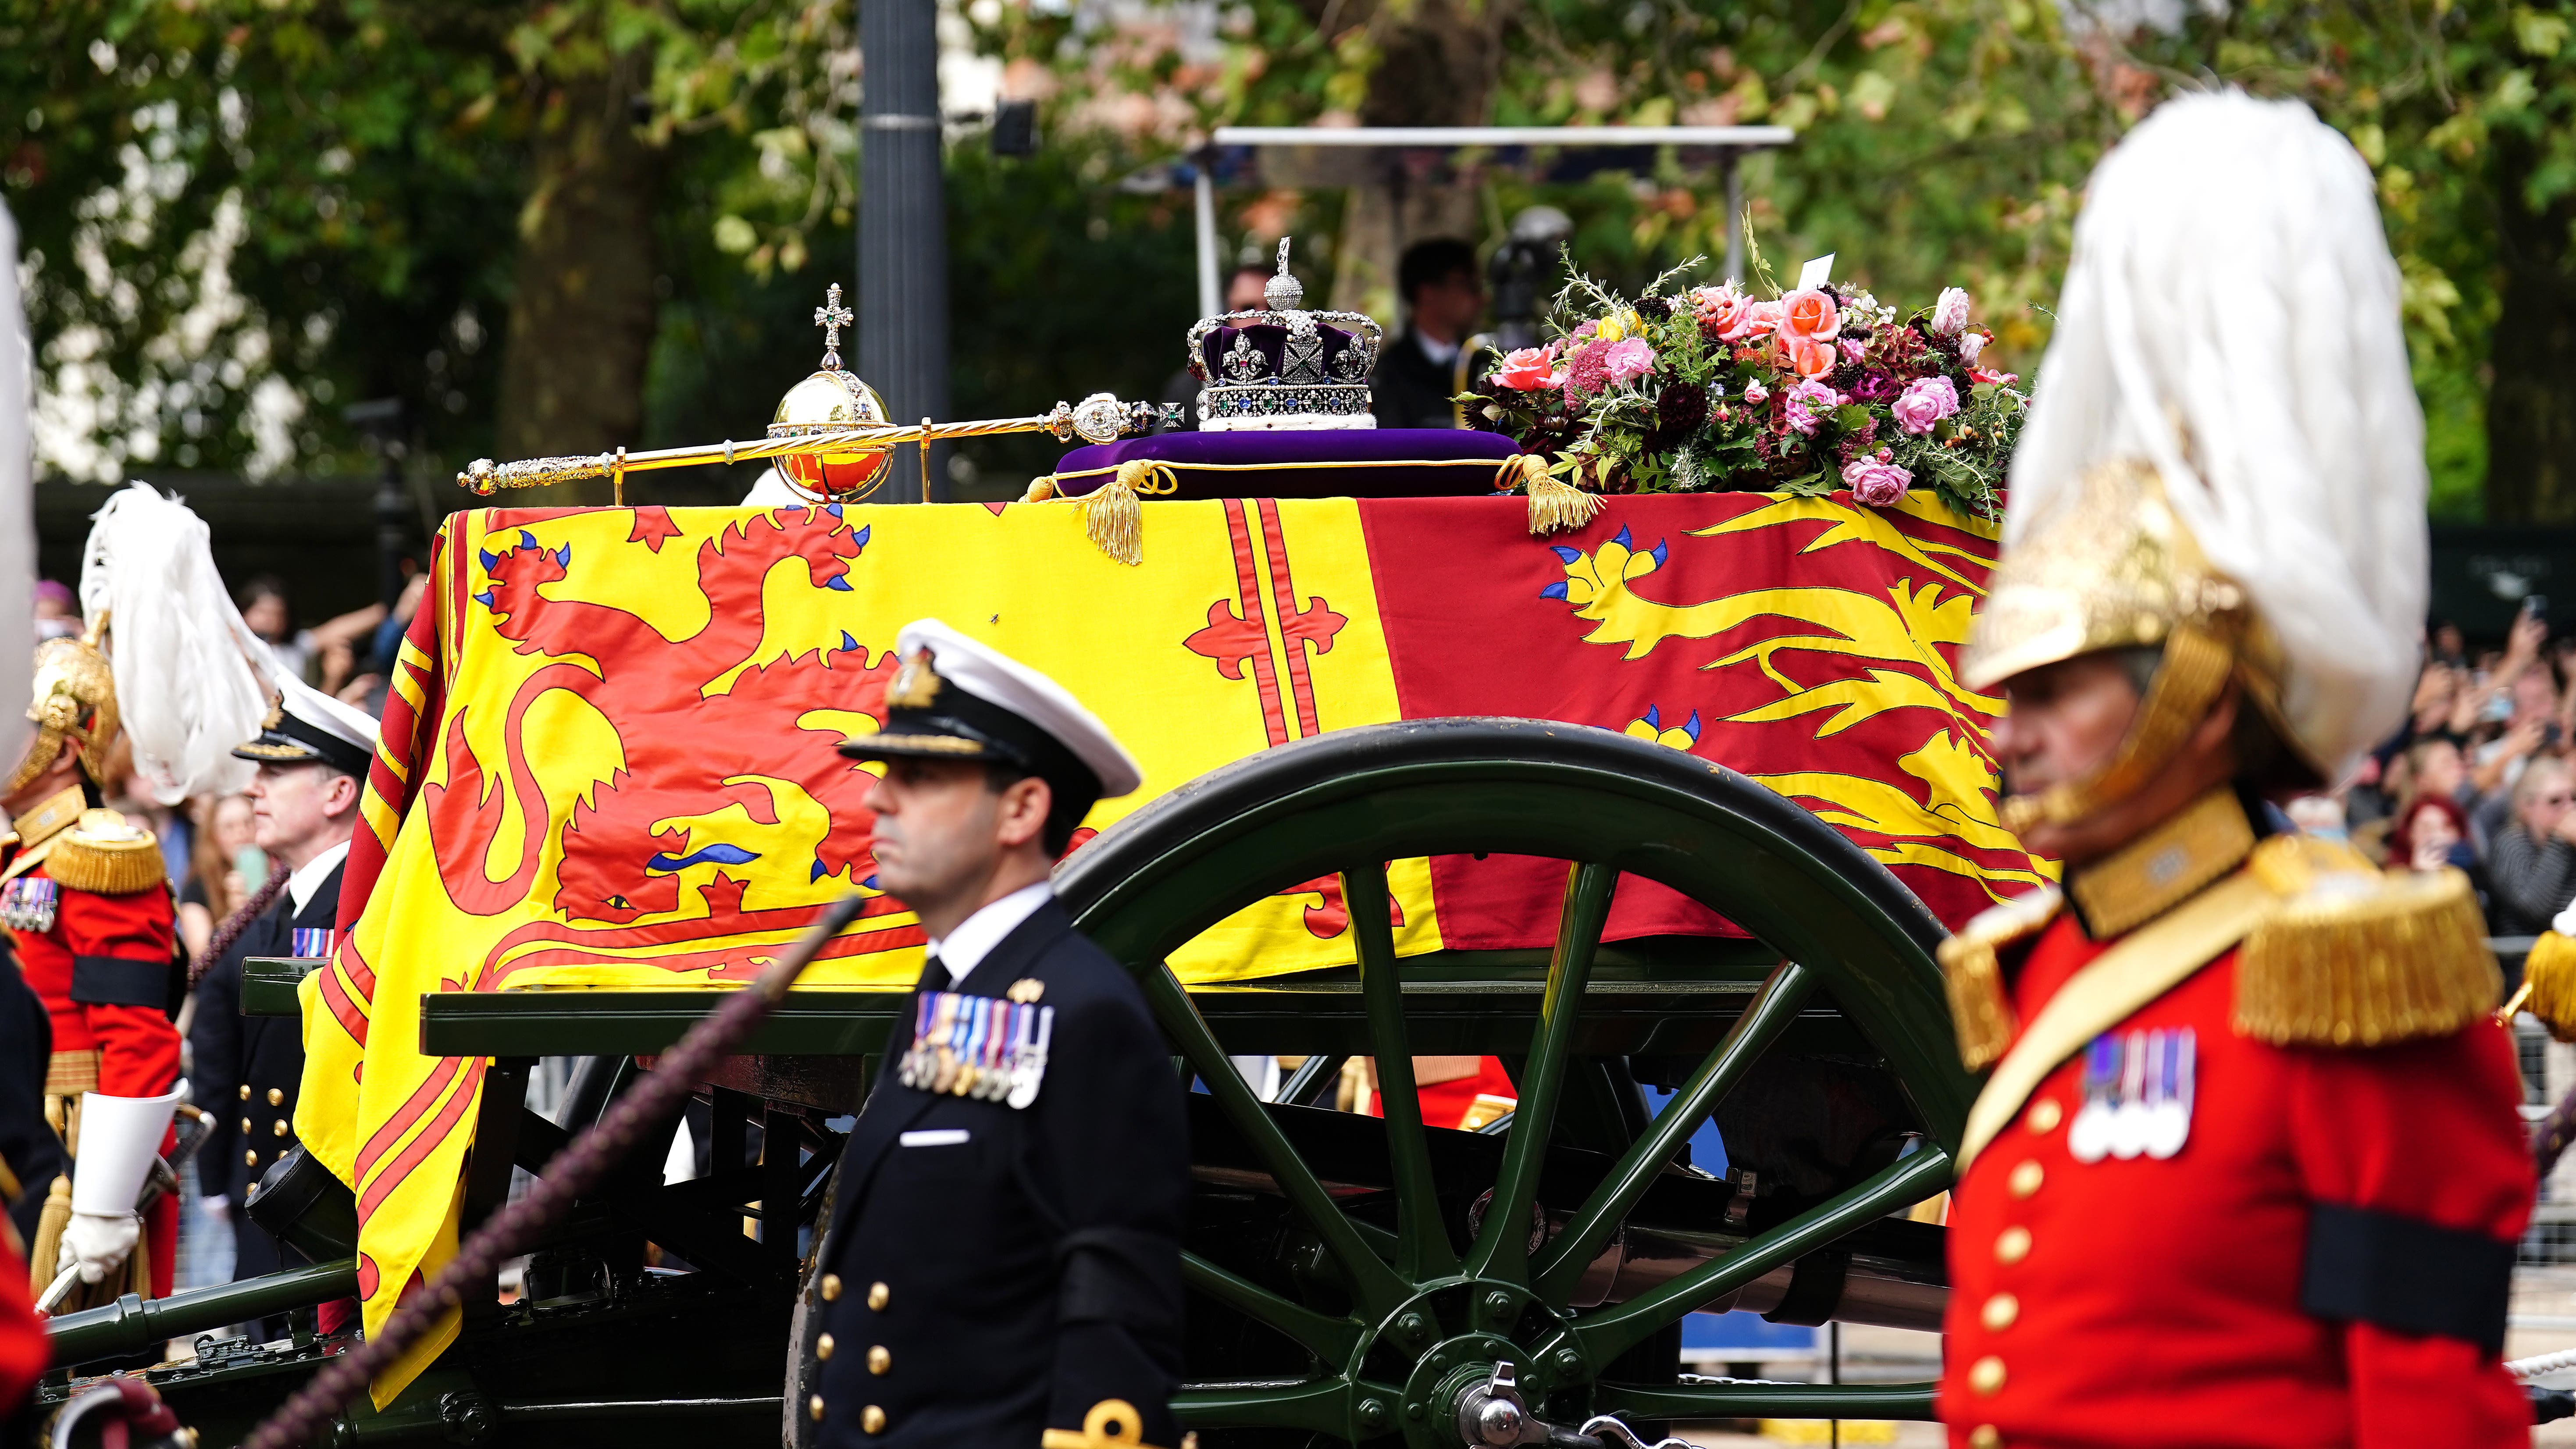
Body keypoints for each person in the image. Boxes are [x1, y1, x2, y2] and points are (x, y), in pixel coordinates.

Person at [1934, 93, 2531, 1447]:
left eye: (2052, 693)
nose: (2007, 733)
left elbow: (2428, 1410)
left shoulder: (2346, 978)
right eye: (2009, 692)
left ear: (2195, 705)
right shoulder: (2042, 957)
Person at [794, 619, 1185, 1449]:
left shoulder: (1085, 1012)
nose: (876, 799)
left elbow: (1112, 1328)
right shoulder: (957, 986)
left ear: (1021, 809)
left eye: (920, 776)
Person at [0, 629, 185, 1309]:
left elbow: (136, 1036)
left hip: (69, 1156)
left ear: (63, 749)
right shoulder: (20, 855)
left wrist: (103, 1201)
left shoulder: (99, 856)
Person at [187, 678, 374, 1335]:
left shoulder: (369, 901)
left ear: (338, 792)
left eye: (275, 772)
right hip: (272, 1211)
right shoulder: (282, 903)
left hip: (339, 1218)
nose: (252, 789)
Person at [1370, 238, 1490, 430]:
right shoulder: (1387, 375)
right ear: (1428, 293)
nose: (1482, 298)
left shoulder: (1481, 363)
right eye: (1468, 285)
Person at [1158, 263, 1274, 431]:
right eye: (1248, 308)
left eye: (1272, 309)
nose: (1263, 318)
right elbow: (1165, 444)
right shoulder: (1189, 387)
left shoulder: (1306, 377)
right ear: (1227, 313)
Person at [2486, 754, 2576, 936]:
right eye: (2555, 801)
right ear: (2526, 807)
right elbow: (2534, 908)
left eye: (2574, 798)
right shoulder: (2510, 843)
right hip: (2526, 949)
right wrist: (2560, 841)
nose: (2570, 808)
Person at [178, 794, 260, 964]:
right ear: (214, 836)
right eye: (229, 827)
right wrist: (235, 916)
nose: (241, 833)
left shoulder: (279, 876)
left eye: (249, 822)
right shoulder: (198, 886)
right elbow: (199, 956)